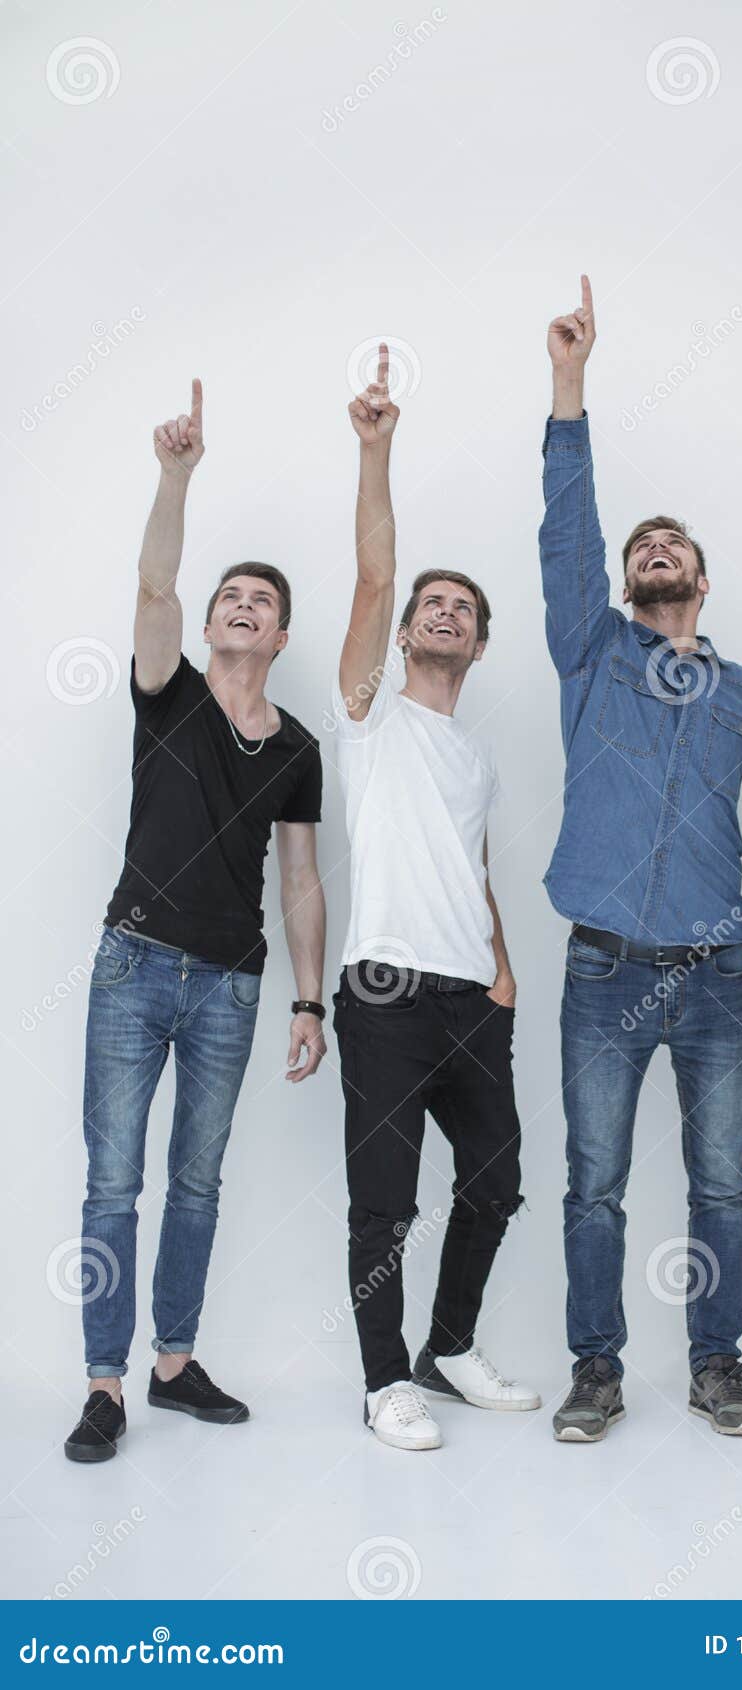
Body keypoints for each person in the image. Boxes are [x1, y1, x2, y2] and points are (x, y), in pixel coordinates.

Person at [539, 278, 742, 1443]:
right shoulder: (590, 650)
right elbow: (566, 529)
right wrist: (569, 387)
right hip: (603, 970)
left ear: (699, 580)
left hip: (712, 977)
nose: (652, 551)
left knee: (721, 1187)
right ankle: (594, 1370)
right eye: (640, 545)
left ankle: (717, 1365)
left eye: (673, 546)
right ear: (626, 579)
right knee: (593, 1185)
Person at [65, 380, 327, 1464]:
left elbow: (302, 882)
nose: (238, 605)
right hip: (133, 966)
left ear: (278, 632)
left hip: (231, 982)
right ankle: (102, 1384)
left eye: (259, 600)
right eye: (230, 594)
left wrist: (310, 999)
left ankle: (174, 1364)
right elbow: (154, 581)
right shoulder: (166, 690)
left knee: (198, 1181)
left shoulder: (299, 746)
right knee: (114, 1180)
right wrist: (176, 474)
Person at [332, 345, 539, 1453]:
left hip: (471, 997)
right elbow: (370, 576)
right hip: (384, 989)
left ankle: (446, 1348)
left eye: (463, 606)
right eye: (431, 604)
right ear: (407, 631)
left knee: (496, 1178)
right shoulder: (370, 716)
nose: (443, 613)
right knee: (385, 1203)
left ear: (478, 639)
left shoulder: (474, 756)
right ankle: (382, 1381)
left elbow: (477, 864)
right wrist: (377, 449)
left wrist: (503, 963)